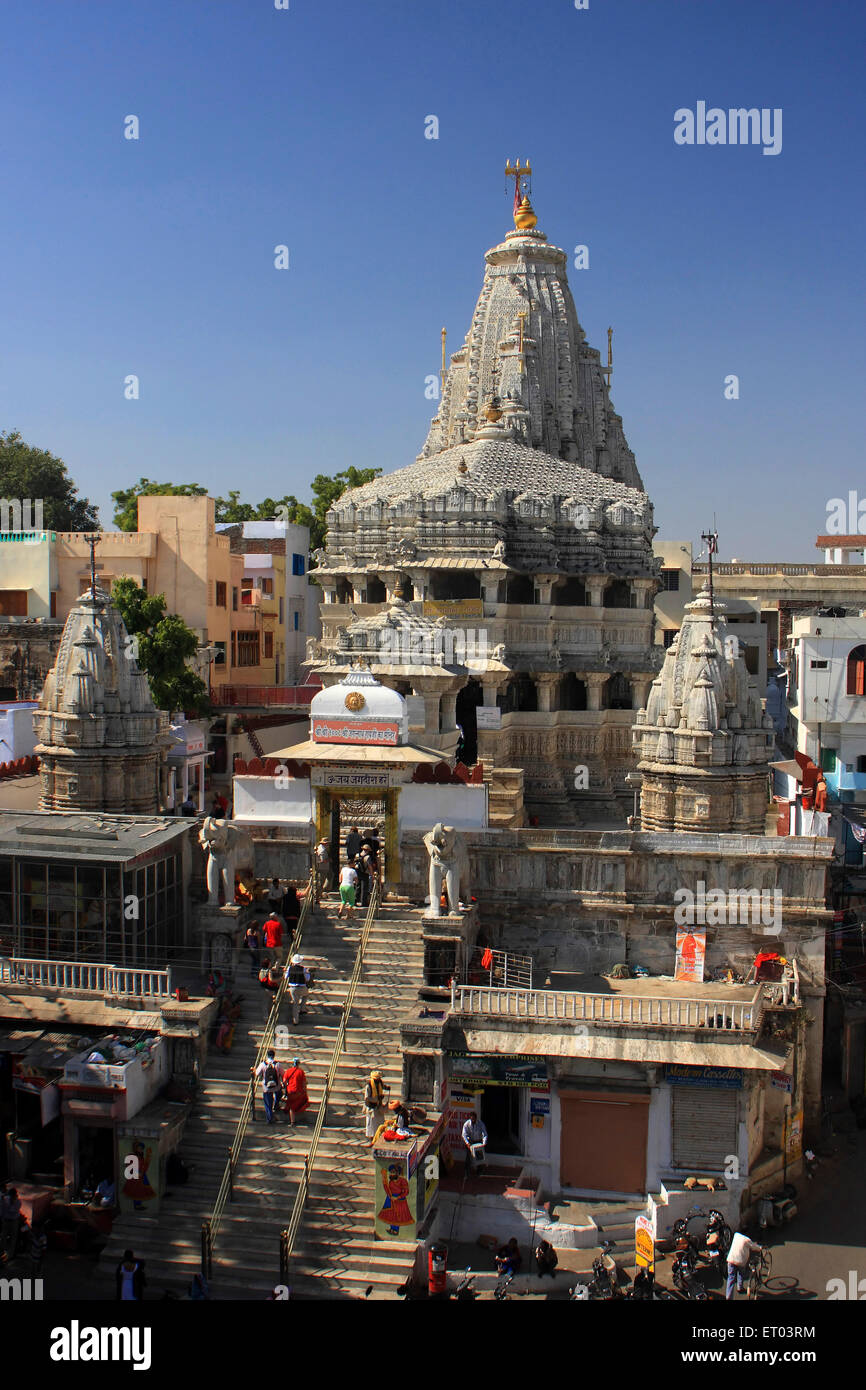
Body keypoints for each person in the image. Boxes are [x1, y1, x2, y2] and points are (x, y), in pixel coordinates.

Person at [726, 1230, 763, 1299]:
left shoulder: (736, 1235)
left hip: (731, 1259)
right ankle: (740, 1287)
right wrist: (760, 1248)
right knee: (741, 1273)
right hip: (740, 1262)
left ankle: (729, 1296)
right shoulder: (747, 1240)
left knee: (731, 1278)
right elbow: (754, 1247)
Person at [252, 1049, 283, 1125]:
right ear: (274, 1055)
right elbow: (283, 1074)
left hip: (267, 1087)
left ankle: (269, 1118)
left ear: (267, 1055)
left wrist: (254, 1070)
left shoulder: (263, 1064)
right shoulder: (277, 1064)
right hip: (276, 1086)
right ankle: (276, 1104)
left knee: (268, 1103)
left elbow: (257, 1073)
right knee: (279, 1093)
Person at [363, 1071, 390, 1146]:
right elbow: (367, 1098)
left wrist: (386, 1088)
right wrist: (375, 1099)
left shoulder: (380, 1083)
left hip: (378, 1107)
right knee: (371, 1126)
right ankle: (371, 1141)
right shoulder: (369, 1086)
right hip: (371, 1108)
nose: (378, 1080)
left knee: (379, 1124)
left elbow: (382, 1087)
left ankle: (378, 1139)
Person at [282, 1057, 309, 1127]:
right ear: (298, 1064)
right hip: (299, 1091)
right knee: (302, 1103)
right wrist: (304, 1090)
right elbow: (304, 1083)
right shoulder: (301, 1072)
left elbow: (284, 1081)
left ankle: (292, 1121)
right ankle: (302, 1118)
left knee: (291, 1106)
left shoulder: (288, 1071)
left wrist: (287, 1085)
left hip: (290, 1091)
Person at [461, 1112, 488, 1177]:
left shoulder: (480, 1124)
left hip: (478, 1142)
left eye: (474, 1119)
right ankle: (466, 1172)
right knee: (468, 1157)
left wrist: (484, 1143)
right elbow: (464, 1135)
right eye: (471, 1119)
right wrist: (467, 1143)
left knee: (479, 1157)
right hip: (470, 1142)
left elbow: (484, 1134)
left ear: (476, 1118)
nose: (473, 1120)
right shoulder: (467, 1124)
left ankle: (479, 1171)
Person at [287, 954, 310, 1024]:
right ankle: (302, 1008)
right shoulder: (303, 969)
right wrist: (308, 973)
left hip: (292, 988)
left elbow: (285, 977)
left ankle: (295, 1020)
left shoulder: (289, 968)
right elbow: (307, 979)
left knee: (295, 1004)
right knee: (306, 995)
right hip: (302, 987)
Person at [0, 1186, 21, 1258]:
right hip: (6, 1220)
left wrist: (11, 1203)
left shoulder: (18, 1202)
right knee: (3, 1236)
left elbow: (13, 1211)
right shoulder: (5, 1199)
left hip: (14, 1221)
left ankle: (11, 1254)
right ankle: (1, 1251)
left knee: (13, 1237)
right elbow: (2, 1209)